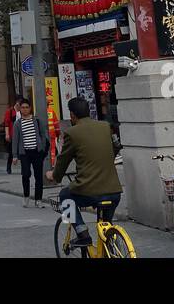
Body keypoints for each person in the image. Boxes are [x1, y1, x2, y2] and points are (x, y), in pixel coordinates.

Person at [46, 97, 124, 248]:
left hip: (89, 191)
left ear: (72, 115)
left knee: (65, 196)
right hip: (114, 190)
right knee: (106, 227)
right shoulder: (105, 126)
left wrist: (54, 175)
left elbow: (63, 160)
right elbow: (116, 146)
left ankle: (83, 234)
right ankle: (111, 247)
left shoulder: (72, 133)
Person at [13, 99, 48, 208]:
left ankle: (38, 199)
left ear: (30, 108)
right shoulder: (18, 123)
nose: (25, 109)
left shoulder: (37, 120)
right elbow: (15, 140)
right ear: (20, 109)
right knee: (26, 174)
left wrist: (41, 147)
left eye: (27, 107)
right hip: (25, 153)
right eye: (22, 107)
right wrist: (15, 155)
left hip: (37, 152)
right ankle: (26, 196)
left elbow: (43, 134)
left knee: (38, 176)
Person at [3, 98, 21, 174]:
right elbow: (6, 124)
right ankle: (8, 167)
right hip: (12, 134)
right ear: (17, 104)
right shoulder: (9, 111)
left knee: (22, 152)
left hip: (21, 135)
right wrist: (7, 134)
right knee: (11, 152)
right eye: (20, 105)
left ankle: (24, 168)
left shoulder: (22, 112)